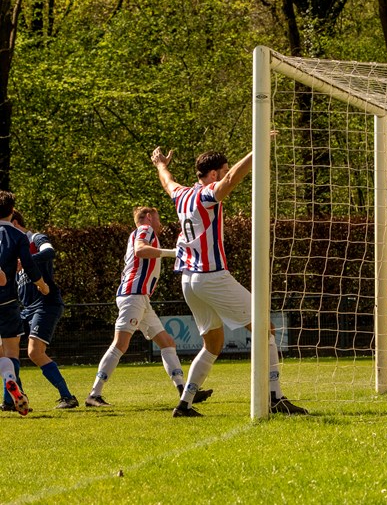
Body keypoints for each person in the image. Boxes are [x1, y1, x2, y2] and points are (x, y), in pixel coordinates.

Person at [151, 147, 307, 417]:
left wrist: (161, 164)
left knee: (213, 344)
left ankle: (184, 404)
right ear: (212, 174)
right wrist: (257, 150)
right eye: (221, 171)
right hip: (211, 277)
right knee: (265, 328)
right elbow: (232, 180)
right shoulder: (205, 194)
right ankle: (275, 397)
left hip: (188, 280)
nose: (224, 175)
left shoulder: (181, 195)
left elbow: (167, 180)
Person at [86, 206, 213, 408]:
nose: (160, 223)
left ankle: (184, 391)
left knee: (167, 343)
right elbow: (140, 250)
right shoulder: (146, 230)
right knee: (120, 344)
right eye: (158, 218)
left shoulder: (144, 232)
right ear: (148, 217)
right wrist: (174, 253)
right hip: (133, 295)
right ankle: (94, 394)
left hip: (140, 297)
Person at [8, 209, 78, 409]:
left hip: (46, 304)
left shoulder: (35, 238)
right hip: (26, 308)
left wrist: (26, 261)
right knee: (5, 349)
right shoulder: (13, 250)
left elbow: (50, 252)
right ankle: (12, 399)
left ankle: (68, 397)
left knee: (35, 352)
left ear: (14, 223)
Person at [0, 191, 49, 414]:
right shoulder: (18, 236)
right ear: (12, 211)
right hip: (8, 301)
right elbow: (28, 265)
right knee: (11, 351)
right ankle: (12, 384)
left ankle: (10, 385)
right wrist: (42, 285)